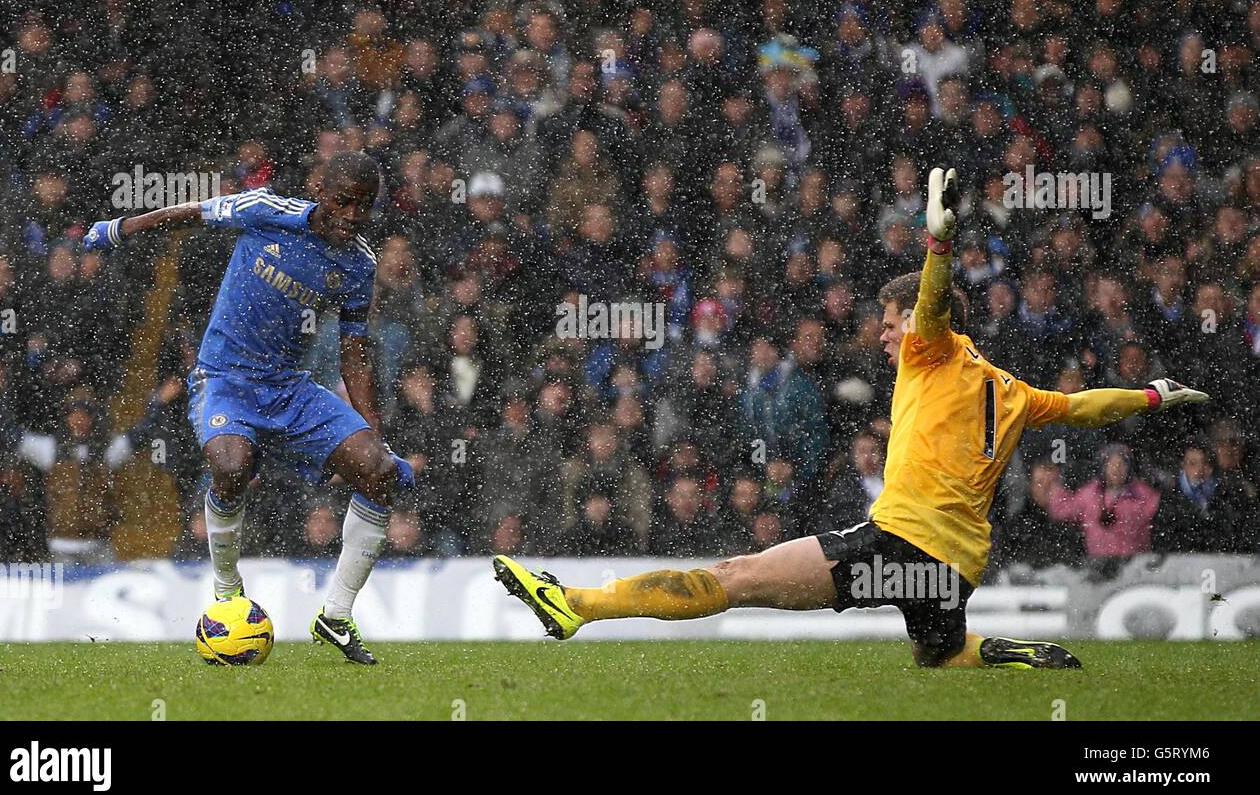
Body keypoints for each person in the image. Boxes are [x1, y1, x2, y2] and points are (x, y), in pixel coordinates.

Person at [493, 168, 1211, 669]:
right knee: (939, 655)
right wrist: (1151, 394)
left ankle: (576, 604)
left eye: (889, 322)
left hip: (900, 544)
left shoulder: (931, 352)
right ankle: (1001, 653)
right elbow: (1086, 408)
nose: (884, 334)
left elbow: (932, 304)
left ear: (924, 325)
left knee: (736, 575)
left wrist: (937, 242)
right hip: (954, 570)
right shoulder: (1015, 390)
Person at [83, 151, 414, 665]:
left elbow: (354, 351)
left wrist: (375, 433)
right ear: (319, 190)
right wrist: (123, 227)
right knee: (231, 465)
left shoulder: (358, 264)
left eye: (364, 206)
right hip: (225, 379)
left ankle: (336, 614)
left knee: (379, 471)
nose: (352, 215)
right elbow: (191, 213)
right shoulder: (265, 210)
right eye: (344, 201)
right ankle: (225, 588)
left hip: (288, 388)